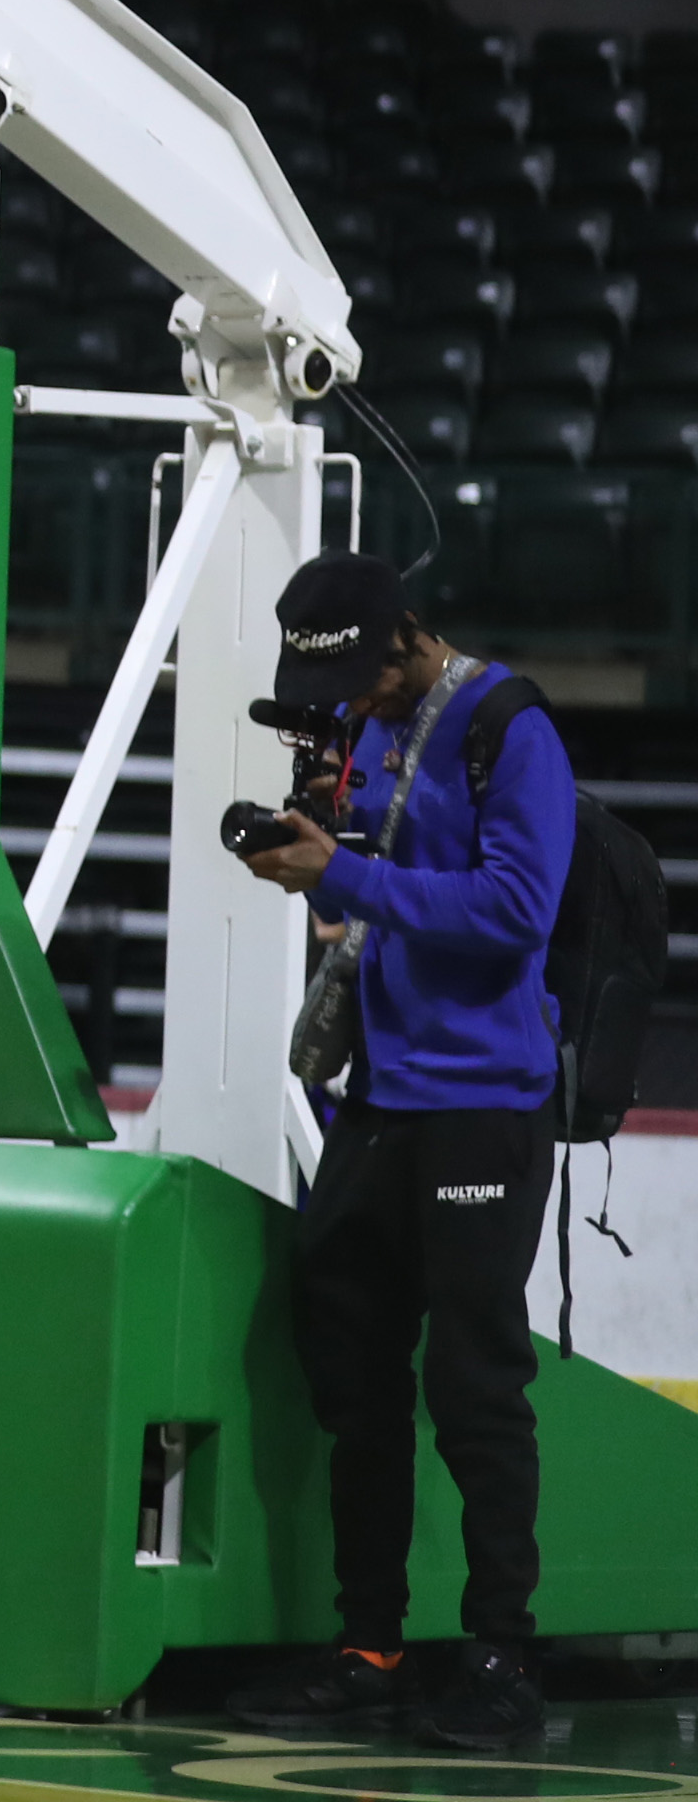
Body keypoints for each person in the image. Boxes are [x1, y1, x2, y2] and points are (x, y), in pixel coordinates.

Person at [222, 554, 572, 1759]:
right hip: (380, 1091)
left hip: (483, 1100)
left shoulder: (508, 725)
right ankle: (369, 1644)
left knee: (476, 1384)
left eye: (360, 682)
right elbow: (375, 889)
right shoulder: (368, 724)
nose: (351, 708)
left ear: (405, 638)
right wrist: (318, 862)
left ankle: (499, 1652)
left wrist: (350, 871)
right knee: (355, 1376)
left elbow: (517, 909)